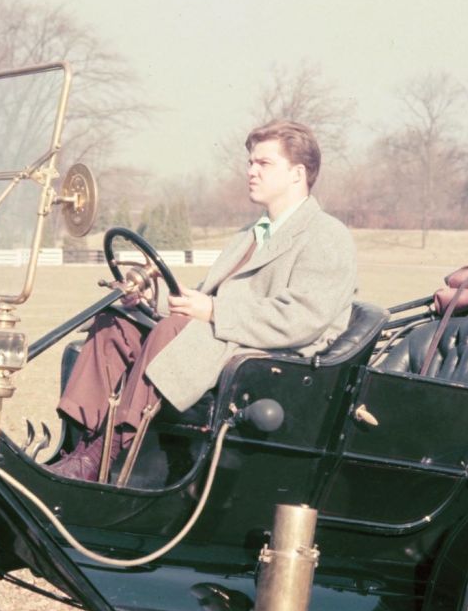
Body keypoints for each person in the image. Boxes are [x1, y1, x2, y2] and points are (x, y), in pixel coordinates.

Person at [50, 119, 358, 481]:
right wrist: (152, 297)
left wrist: (213, 311)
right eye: (250, 162)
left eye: (264, 163)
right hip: (228, 336)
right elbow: (206, 295)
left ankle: (107, 453)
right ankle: (78, 446)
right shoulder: (252, 234)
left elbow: (302, 319)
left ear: (297, 174)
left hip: (274, 360)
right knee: (115, 323)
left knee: (176, 331)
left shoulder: (325, 235)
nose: (251, 171)